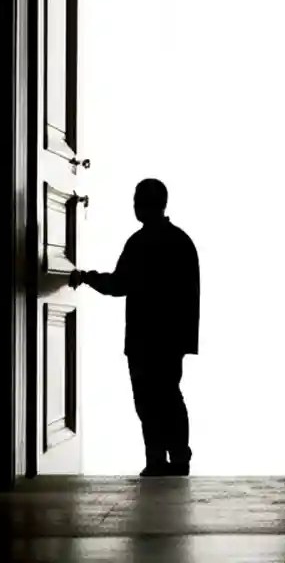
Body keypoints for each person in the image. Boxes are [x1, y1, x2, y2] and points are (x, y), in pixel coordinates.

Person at [70, 178, 200, 476]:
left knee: (147, 399)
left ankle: (156, 459)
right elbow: (191, 295)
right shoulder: (181, 241)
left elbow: (118, 285)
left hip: (143, 337)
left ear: (141, 205)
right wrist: (185, 340)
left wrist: (86, 277)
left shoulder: (140, 242)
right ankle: (179, 458)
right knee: (170, 395)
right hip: (172, 339)